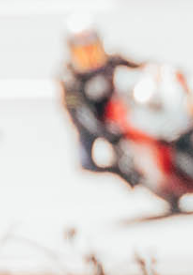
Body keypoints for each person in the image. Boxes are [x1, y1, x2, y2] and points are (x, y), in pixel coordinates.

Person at [59, 18, 143, 181]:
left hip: (114, 110)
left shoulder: (110, 60)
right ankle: (124, 174)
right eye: (82, 49)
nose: (89, 54)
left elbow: (138, 66)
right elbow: (79, 114)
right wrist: (102, 131)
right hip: (90, 121)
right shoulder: (70, 79)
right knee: (87, 164)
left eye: (92, 47)